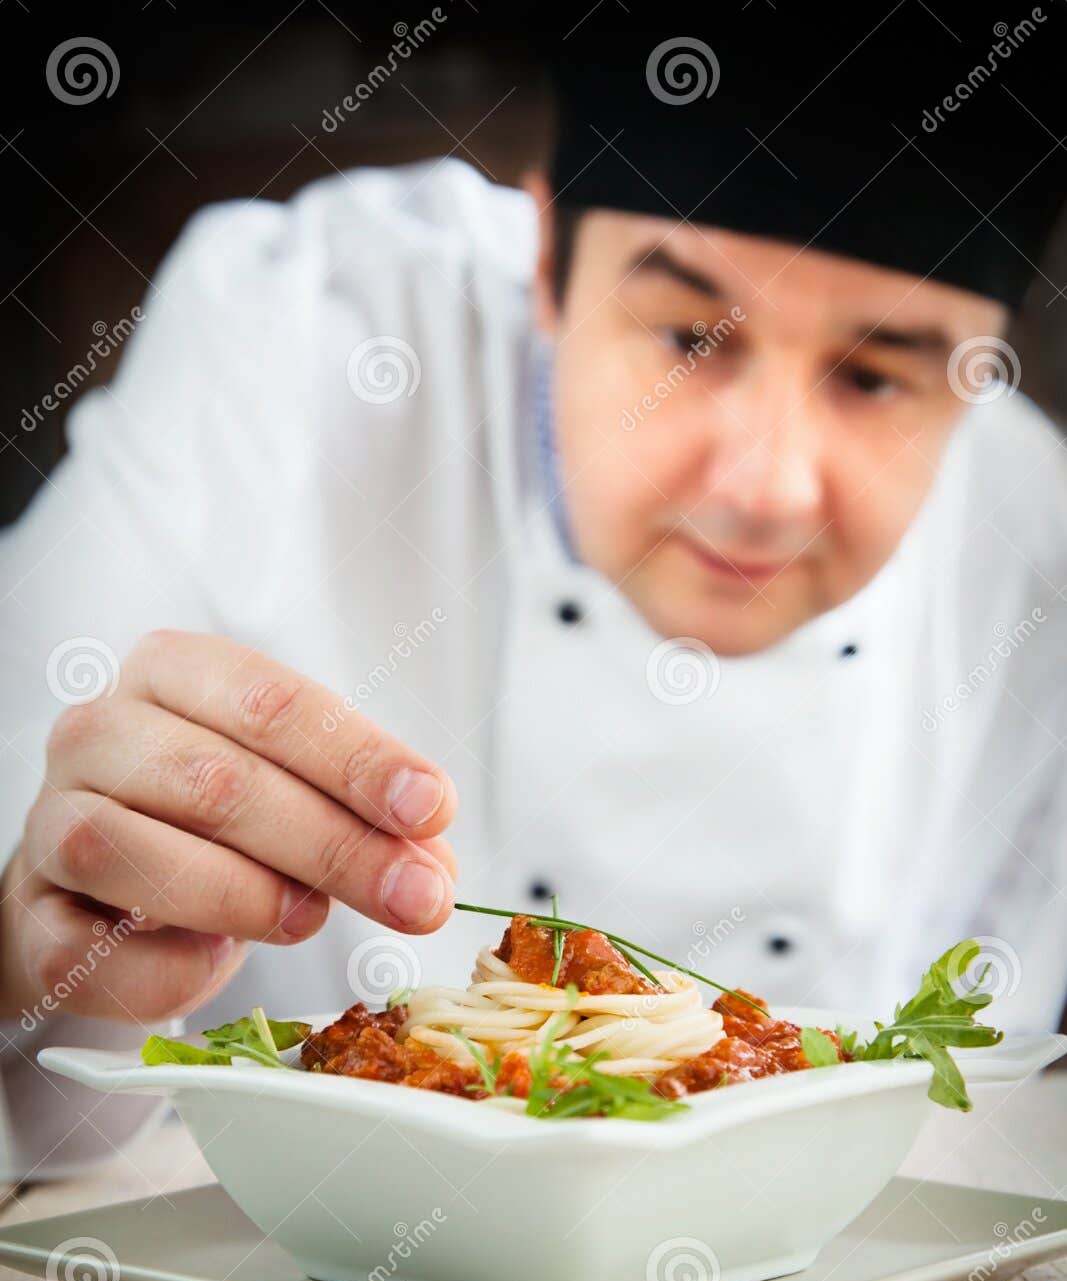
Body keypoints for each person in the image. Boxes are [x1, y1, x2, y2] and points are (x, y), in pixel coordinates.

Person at [1, 11, 1065, 1174]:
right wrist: (33, 940)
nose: (764, 486)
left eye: (872, 376)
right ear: (545, 257)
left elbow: (972, 1134)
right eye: (689, 338)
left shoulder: (1033, 565)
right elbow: (37, 876)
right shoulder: (299, 334)